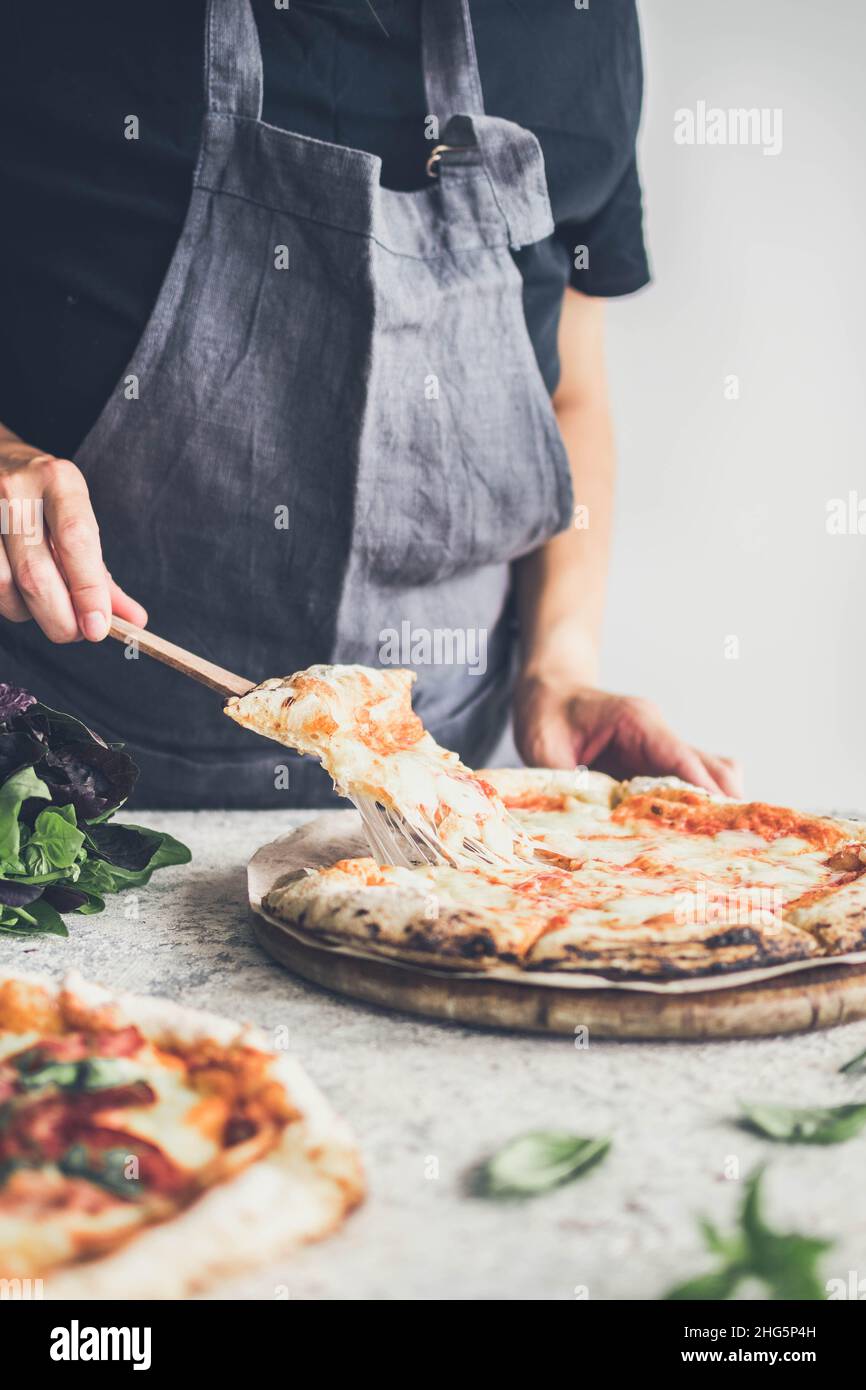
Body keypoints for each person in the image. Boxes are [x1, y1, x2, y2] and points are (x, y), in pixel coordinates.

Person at [0, 0, 741, 808]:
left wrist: (556, 672)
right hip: (57, 776)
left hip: (446, 792)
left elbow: (571, 394)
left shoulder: (580, 25)